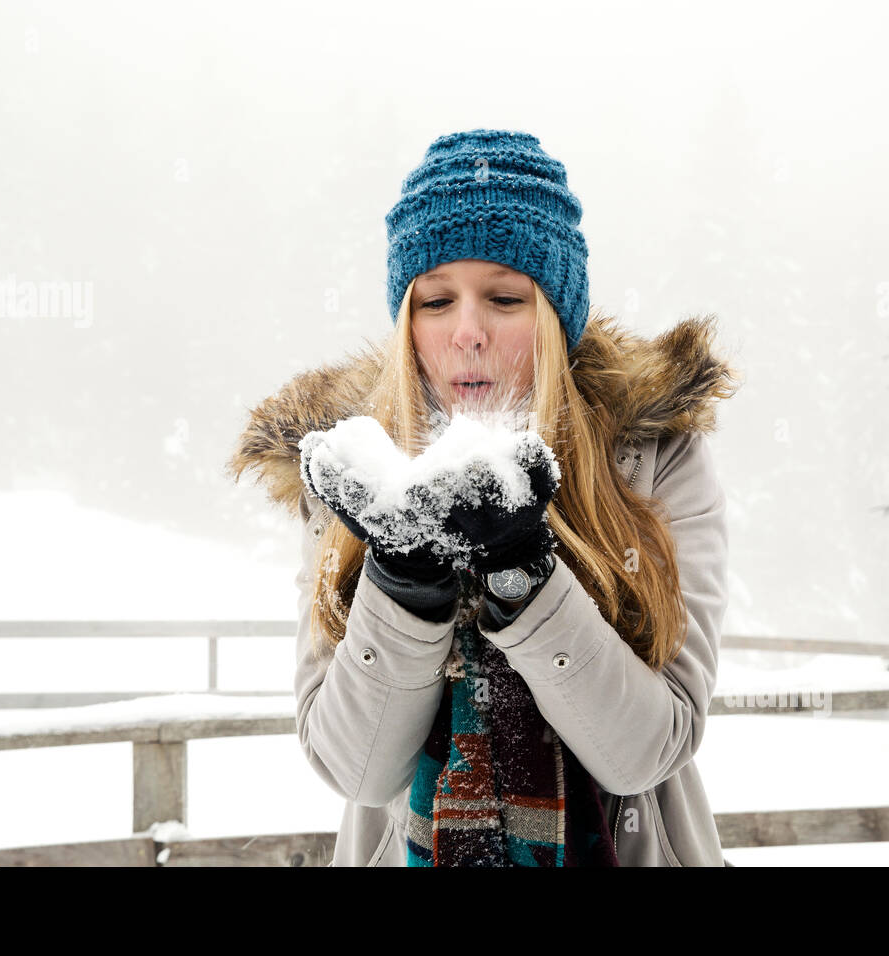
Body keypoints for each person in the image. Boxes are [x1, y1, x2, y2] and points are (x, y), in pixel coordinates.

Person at [227, 128, 741, 866]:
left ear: (556, 315)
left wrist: (524, 580)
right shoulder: (352, 473)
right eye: (436, 301)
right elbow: (358, 769)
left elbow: (644, 754)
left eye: (504, 297)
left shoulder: (654, 460)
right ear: (406, 321)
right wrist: (402, 584)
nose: (467, 333)